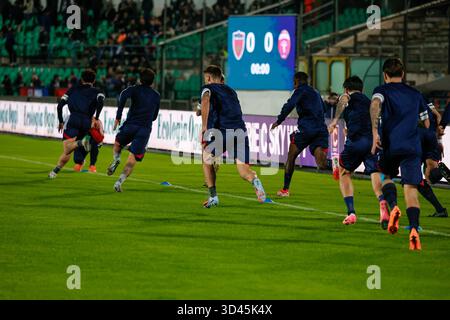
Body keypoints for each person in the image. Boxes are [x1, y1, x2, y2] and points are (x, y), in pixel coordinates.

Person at [370, 58, 430, 250]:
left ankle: (394, 206)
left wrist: (374, 132)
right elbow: (427, 123)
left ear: (385, 75)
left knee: (386, 176)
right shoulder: (415, 93)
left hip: (391, 145)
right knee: (411, 190)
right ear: (402, 74)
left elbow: (374, 105)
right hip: (412, 147)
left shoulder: (382, 90)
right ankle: (414, 229)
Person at [201, 65, 266, 208]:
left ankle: (213, 197)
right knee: (243, 171)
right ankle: (254, 180)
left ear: (209, 78)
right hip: (241, 131)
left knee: (206, 157)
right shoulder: (231, 91)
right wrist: (202, 111)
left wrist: (204, 126)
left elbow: (205, 100)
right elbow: (215, 106)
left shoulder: (208, 88)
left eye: (206, 78)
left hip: (225, 131)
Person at [328, 76, 389, 227]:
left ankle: (351, 213)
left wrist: (335, 121)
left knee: (344, 172)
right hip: (372, 142)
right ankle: (382, 201)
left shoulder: (347, 97)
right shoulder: (370, 101)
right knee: (375, 172)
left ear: (347, 89)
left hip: (356, 142)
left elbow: (342, 101)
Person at [271, 72, 328, 197]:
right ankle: (335, 163)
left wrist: (279, 120)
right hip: (321, 129)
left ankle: (285, 190)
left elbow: (289, 105)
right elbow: (324, 109)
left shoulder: (299, 91)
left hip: (306, 129)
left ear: (296, 81)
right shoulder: (316, 92)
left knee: (291, 157)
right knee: (322, 164)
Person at [107, 68, 160, 192]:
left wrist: (118, 116)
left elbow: (123, 95)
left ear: (140, 79)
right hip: (144, 129)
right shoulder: (156, 95)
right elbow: (155, 117)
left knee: (117, 143)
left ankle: (116, 159)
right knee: (132, 159)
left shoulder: (134, 89)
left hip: (130, 125)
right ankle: (119, 182)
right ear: (152, 82)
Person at [49, 69, 105, 179]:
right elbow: (101, 102)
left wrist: (61, 121)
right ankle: (55, 171)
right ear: (93, 80)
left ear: (82, 79)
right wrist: (96, 118)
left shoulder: (72, 89)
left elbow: (60, 106)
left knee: (67, 149)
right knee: (69, 149)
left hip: (74, 119)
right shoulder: (98, 91)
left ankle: (81, 143)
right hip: (86, 123)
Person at [417, 97, 447, 218]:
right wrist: (439, 140)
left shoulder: (414, 99)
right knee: (428, 175)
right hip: (430, 137)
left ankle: (440, 210)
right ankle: (440, 210)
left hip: (421, 137)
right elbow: (438, 116)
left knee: (423, 177)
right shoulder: (421, 98)